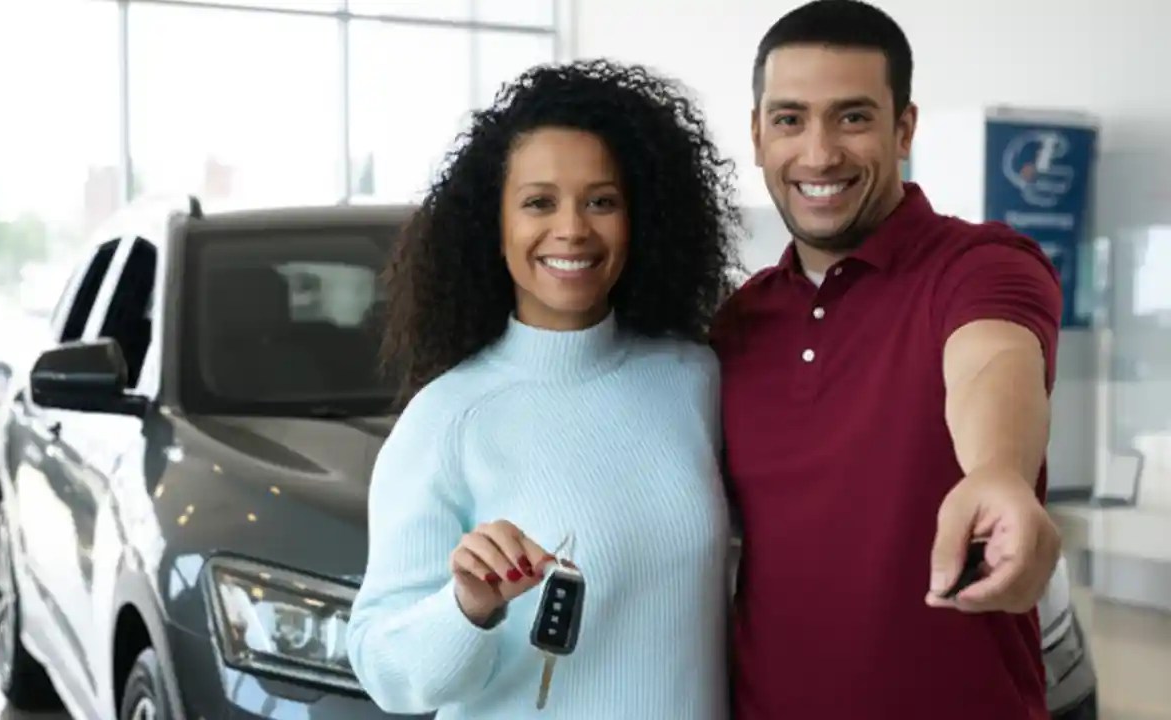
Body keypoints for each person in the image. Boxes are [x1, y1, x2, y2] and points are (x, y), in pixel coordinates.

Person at [348, 59, 743, 719]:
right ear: (493, 227)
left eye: (601, 200)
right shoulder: (447, 419)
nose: (573, 229)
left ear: (638, 217)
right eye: (538, 202)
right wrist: (467, 605)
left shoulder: (693, 380)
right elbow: (384, 670)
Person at [712, 1, 1065, 718]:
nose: (817, 154)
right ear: (755, 134)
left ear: (903, 128)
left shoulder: (981, 265)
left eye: (852, 117)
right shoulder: (737, 323)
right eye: (789, 119)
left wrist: (998, 472)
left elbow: (991, 361)